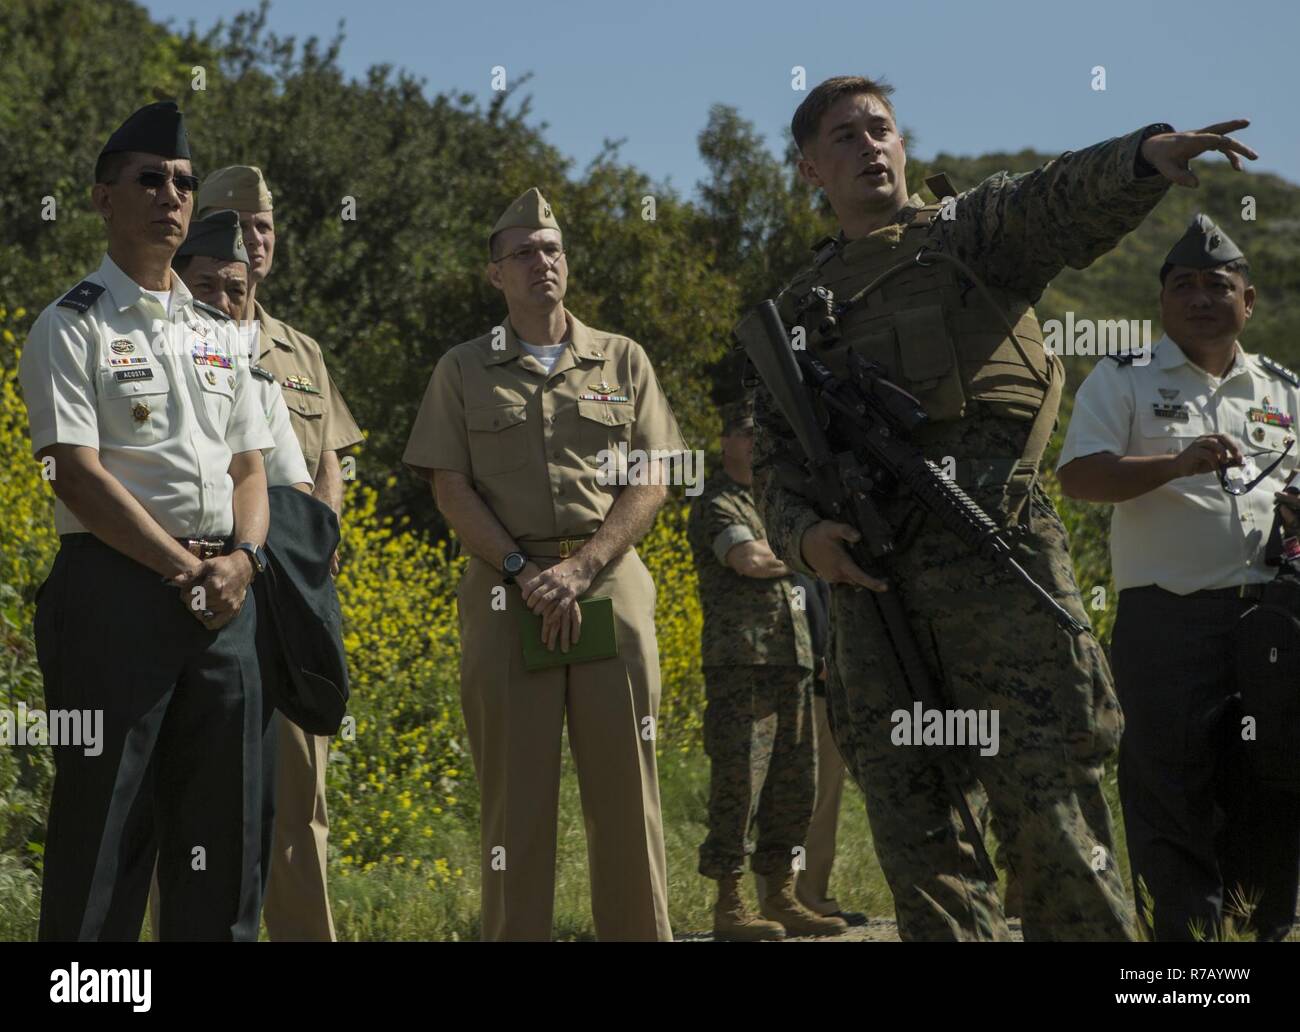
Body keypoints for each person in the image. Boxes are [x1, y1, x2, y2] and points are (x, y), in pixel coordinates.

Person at [752, 73, 1257, 941]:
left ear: (903, 146)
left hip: (1000, 565)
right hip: (877, 593)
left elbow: (1054, 200)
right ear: (809, 169)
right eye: (845, 136)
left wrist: (1141, 158)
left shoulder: (969, 237)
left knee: (1050, 816)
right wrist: (806, 541)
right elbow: (774, 456)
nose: (870, 145)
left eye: (882, 129)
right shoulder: (799, 310)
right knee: (919, 838)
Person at [18, 101, 274, 941]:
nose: (172, 194)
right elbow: (74, 473)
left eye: (185, 183)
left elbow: (250, 469)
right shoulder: (72, 324)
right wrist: (183, 567)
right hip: (115, 596)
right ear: (102, 198)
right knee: (103, 837)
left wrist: (240, 560)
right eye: (150, 179)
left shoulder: (222, 334)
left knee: (221, 840)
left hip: (224, 601)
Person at [403, 187, 685, 941]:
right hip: (508, 594)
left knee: (628, 800)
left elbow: (652, 475)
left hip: (608, 586)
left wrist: (586, 565)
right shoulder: (463, 369)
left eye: (552, 249)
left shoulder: (622, 359)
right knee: (514, 806)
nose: (541, 262)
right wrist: (526, 571)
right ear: (495, 274)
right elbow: (448, 484)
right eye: (522, 252)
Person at [1057, 214, 1300, 941]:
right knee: (1169, 787)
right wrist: (1175, 463)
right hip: (1168, 623)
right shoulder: (1124, 378)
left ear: (1248, 302)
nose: (1201, 297)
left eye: (1218, 285)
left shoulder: (1284, 390)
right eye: (1184, 285)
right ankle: (1185, 955)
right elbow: (1079, 477)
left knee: (1275, 780)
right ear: (1161, 302)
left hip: (1272, 623)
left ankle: (1263, 930)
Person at [196, 166, 363, 941]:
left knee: (298, 801)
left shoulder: (302, 351)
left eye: (263, 225)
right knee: (197, 797)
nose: (252, 239)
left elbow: (330, 460)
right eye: (235, 223)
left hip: (289, 600)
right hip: (209, 583)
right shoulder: (180, 325)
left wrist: (308, 549)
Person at [689, 400, 845, 940]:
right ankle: (729, 905)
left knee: (793, 783)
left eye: (763, 434)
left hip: (793, 661)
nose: (756, 443)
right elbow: (749, 560)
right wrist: (803, 549)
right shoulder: (715, 501)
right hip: (742, 664)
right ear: (725, 441)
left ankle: (778, 895)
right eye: (746, 433)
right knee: (739, 783)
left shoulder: (776, 499)